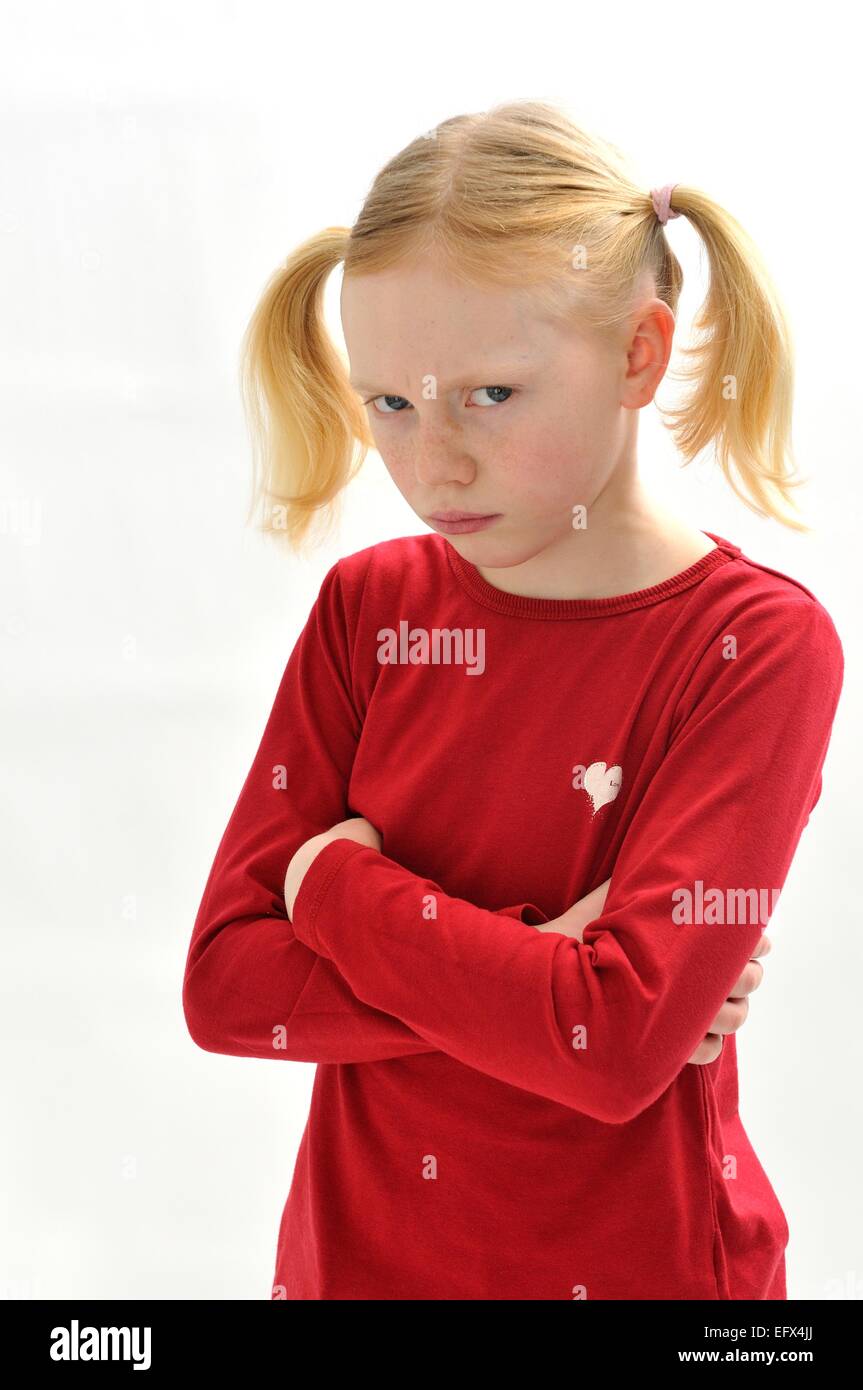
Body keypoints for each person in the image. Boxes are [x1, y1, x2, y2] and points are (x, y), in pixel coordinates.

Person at [182, 100, 844, 1300]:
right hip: (352, 1273)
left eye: (490, 395)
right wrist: (542, 971)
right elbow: (228, 987)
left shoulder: (754, 645)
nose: (431, 463)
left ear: (639, 353)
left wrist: (335, 889)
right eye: (389, 403)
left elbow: (613, 1053)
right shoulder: (366, 611)